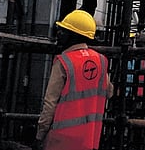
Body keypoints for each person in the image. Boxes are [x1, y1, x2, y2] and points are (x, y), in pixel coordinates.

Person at [36, 10, 112, 150]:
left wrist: (40, 135)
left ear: (74, 36)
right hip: (89, 139)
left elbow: (50, 104)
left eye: (64, 31)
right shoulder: (100, 61)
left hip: (62, 140)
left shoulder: (64, 62)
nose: (58, 34)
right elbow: (109, 92)